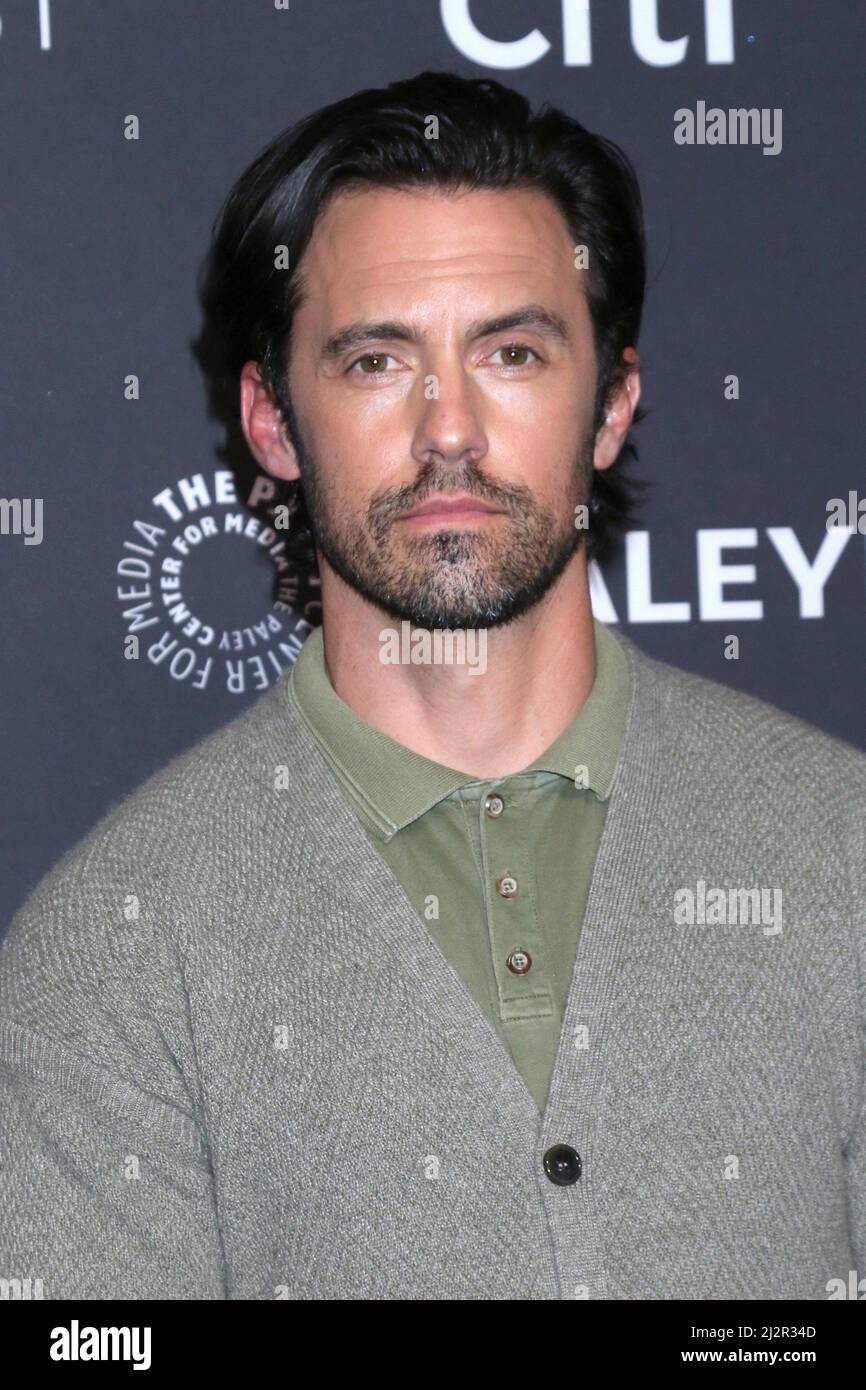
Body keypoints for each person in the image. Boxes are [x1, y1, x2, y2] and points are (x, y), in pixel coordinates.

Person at [1, 71, 864, 1301]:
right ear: (271, 423)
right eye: (372, 360)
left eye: (510, 351)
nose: (445, 426)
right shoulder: (118, 952)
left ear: (612, 403)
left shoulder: (840, 851)